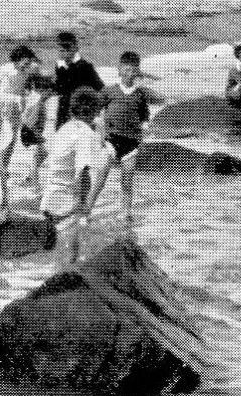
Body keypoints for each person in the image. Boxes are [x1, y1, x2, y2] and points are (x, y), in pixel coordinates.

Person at [41, 87, 110, 268]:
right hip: (66, 200)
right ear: (94, 112)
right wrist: (83, 204)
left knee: (57, 253)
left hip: (49, 198)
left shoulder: (63, 129)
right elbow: (83, 172)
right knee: (70, 256)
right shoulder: (85, 134)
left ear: (72, 110)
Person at [99, 51, 165, 224]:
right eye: (126, 70)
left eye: (134, 70)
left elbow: (160, 100)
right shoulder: (109, 91)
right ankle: (86, 210)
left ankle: (126, 213)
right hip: (111, 139)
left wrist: (145, 81)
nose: (130, 73)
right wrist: (99, 134)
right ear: (119, 70)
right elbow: (96, 110)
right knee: (102, 173)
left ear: (138, 72)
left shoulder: (141, 94)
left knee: (127, 180)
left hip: (132, 143)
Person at [52, 32, 104, 129]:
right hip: (63, 114)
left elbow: (101, 89)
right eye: (61, 48)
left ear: (76, 48)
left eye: (67, 47)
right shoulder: (59, 66)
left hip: (81, 115)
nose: (63, 51)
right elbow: (59, 88)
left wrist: (94, 113)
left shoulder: (85, 67)